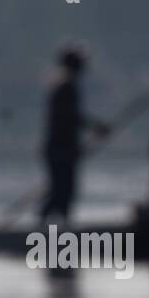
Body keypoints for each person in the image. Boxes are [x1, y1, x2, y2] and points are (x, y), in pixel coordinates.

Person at [40, 46, 109, 223]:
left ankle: (55, 227)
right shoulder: (66, 86)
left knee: (61, 191)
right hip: (61, 149)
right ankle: (50, 229)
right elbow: (70, 118)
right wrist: (97, 127)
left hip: (60, 148)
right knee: (63, 191)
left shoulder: (62, 85)